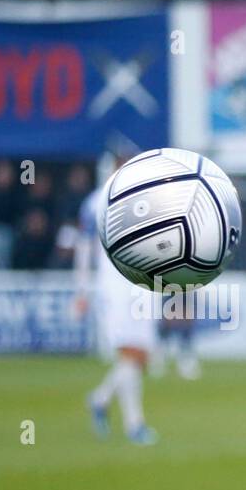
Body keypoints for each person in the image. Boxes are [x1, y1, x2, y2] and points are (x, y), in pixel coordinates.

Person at [75, 169, 160, 445]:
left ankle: (101, 399)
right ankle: (135, 424)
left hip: (142, 284)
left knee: (139, 356)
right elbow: (85, 246)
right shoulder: (96, 202)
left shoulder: (151, 198)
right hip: (114, 286)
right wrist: (82, 289)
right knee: (131, 353)